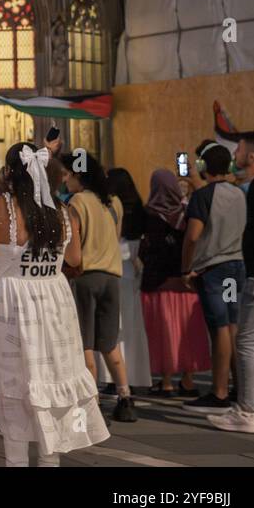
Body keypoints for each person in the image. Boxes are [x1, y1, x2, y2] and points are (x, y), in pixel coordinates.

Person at [0, 145, 110, 465]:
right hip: (53, 303)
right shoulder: (62, 210)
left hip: (11, 307)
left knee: (14, 392)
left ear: (9, 173)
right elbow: (74, 259)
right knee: (51, 389)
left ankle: (16, 462)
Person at [212, 133, 254, 434]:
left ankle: (245, 412)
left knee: (247, 341)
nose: (235, 153)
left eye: (238, 148)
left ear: (251, 157)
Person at [65, 152, 139, 422]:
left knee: (85, 343)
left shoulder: (77, 201)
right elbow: (116, 238)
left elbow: (73, 245)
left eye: (67, 175)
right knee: (109, 342)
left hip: (86, 276)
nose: (65, 180)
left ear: (78, 175)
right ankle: (125, 397)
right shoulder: (113, 202)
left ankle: (91, 403)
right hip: (112, 275)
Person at [182, 141, 246, 412]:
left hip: (214, 268)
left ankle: (219, 392)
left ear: (203, 166)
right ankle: (238, 386)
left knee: (219, 327)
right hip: (236, 265)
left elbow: (193, 236)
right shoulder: (240, 193)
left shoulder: (203, 196)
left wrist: (186, 268)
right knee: (231, 325)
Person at [139, 169, 210, 395]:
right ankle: (187, 381)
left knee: (164, 332)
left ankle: (167, 381)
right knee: (187, 333)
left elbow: (145, 248)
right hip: (185, 282)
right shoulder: (186, 213)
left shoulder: (148, 215)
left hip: (158, 283)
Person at [103, 168, 154, 395]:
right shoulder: (140, 208)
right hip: (133, 272)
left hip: (115, 268)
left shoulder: (112, 207)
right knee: (132, 326)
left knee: (114, 326)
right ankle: (133, 374)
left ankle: (115, 378)